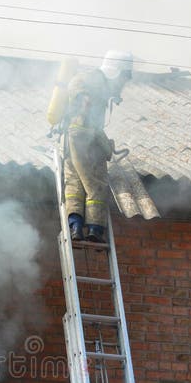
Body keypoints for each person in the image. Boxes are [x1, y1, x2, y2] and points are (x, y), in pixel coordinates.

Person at [63, 50, 133, 244]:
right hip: (84, 138)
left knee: (75, 183)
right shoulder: (93, 80)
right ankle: (95, 228)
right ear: (116, 72)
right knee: (96, 183)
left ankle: (75, 226)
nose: (122, 84)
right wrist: (105, 146)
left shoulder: (91, 80)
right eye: (123, 78)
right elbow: (90, 121)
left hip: (73, 139)